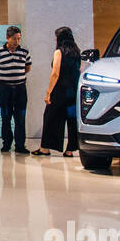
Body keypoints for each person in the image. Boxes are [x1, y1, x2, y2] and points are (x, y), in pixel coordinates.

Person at [34, 26, 80, 157]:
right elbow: (78, 70)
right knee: (71, 121)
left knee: (50, 118)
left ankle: (45, 148)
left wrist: (48, 92)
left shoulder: (59, 52)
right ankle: (70, 150)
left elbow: (55, 73)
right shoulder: (77, 52)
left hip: (60, 91)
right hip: (73, 91)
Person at [0, 25, 32, 154]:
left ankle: (20, 145)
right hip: (5, 89)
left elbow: (28, 67)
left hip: (20, 88)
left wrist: (17, 76)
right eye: (14, 39)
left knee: (20, 117)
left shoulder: (24, 51)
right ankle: (6, 143)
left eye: (18, 39)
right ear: (7, 38)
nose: (17, 41)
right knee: (6, 117)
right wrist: (3, 76)